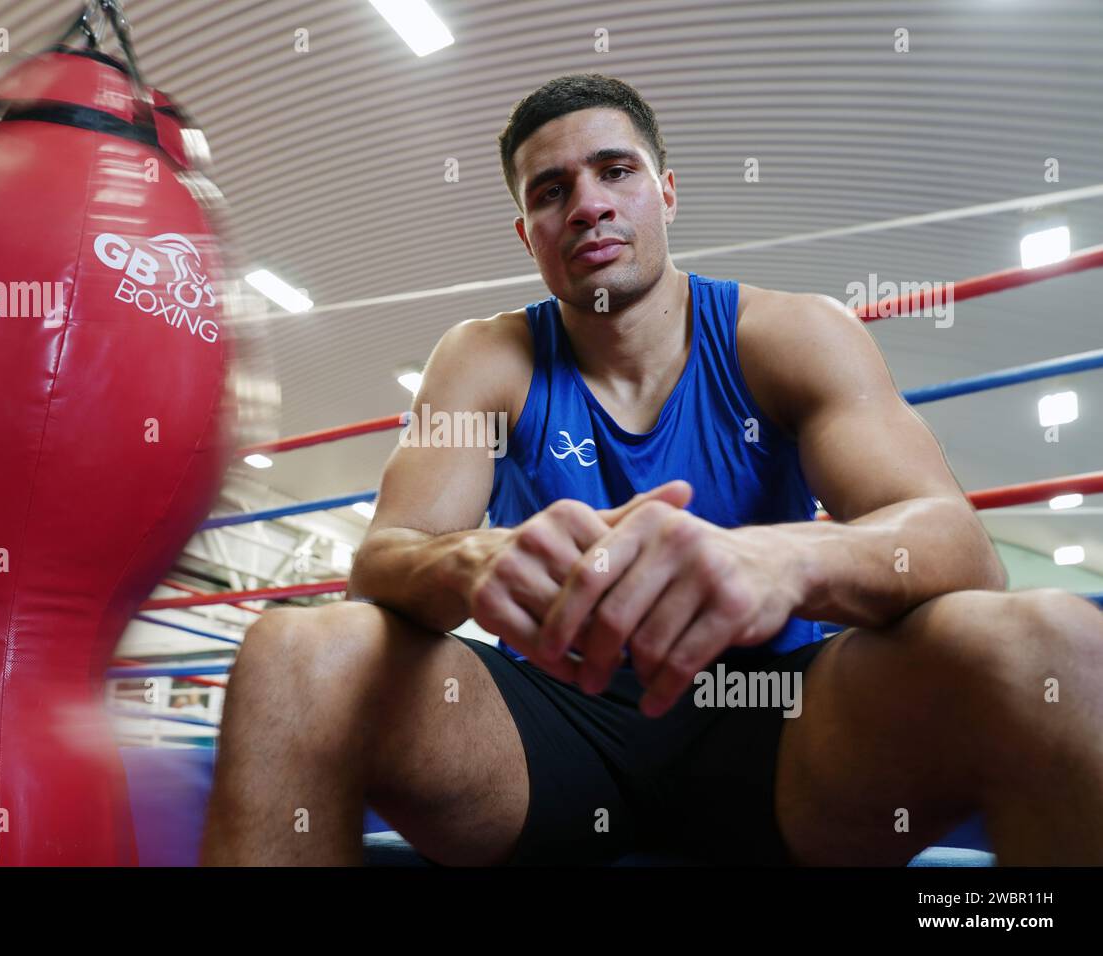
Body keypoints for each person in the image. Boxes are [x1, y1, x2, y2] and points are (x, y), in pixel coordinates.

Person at [202, 74, 1103, 867]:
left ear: (666, 192)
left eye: (615, 171)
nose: (588, 203)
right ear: (528, 235)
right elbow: (383, 559)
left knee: (1046, 640)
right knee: (293, 651)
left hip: (776, 723)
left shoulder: (790, 334)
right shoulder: (488, 357)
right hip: (550, 736)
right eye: (552, 190)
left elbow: (957, 549)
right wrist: (469, 560)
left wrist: (781, 561)